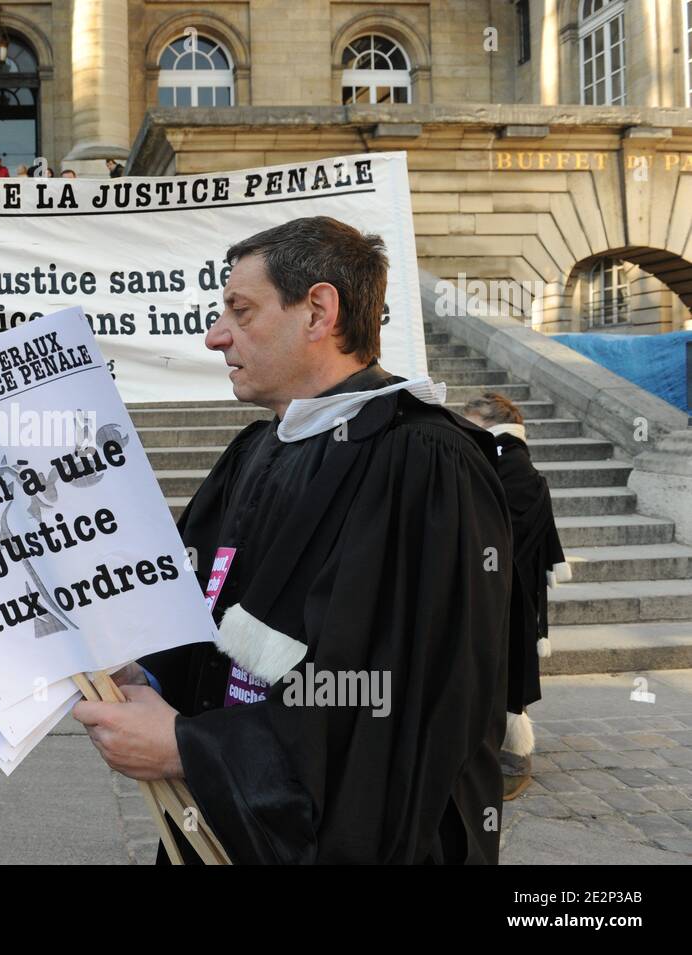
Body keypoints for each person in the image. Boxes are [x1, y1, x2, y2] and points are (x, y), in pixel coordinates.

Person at [72, 216, 512, 864]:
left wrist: (188, 747)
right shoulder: (256, 449)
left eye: (241, 311)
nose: (215, 336)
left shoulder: (424, 464)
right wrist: (149, 672)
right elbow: (208, 609)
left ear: (318, 311)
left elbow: (390, 704)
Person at [463, 392, 570, 800]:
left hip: (508, 589)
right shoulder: (499, 456)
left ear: (491, 422)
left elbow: (504, 527)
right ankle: (486, 745)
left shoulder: (513, 463)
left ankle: (510, 753)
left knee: (505, 665)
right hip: (496, 585)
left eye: (471, 421)